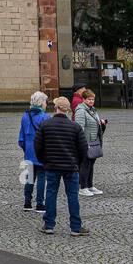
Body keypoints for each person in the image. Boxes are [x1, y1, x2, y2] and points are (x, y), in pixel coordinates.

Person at [34, 95, 88, 236]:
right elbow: (83, 149)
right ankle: (76, 227)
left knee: (51, 194)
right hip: (71, 166)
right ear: (68, 110)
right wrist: (77, 163)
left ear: (56, 108)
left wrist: (44, 161)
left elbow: (38, 146)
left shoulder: (45, 125)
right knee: (73, 196)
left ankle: (49, 225)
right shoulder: (75, 127)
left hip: (51, 165)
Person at [18, 91, 48, 211]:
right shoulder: (45, 117)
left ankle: (27, 203)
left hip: (28, 151)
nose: (46, 104)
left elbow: (21, 138)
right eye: (45, 101)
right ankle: (40, 203)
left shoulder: (25, 116)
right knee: (41, 176)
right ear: (41, 103)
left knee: (29, 177)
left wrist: (26, 149)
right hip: (41, 151)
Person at [75, 90, 105, 196]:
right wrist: (82, 143)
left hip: (94, 141)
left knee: (91, 164)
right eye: (89, 99)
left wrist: (101, 123)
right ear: (84, 99)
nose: (91, 101)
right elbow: (79, 128)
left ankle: (90, 185)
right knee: (85, 165)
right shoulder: (80, 111)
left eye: (93, 99)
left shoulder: (93, 110)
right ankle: (83, 187)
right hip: (86, 142)